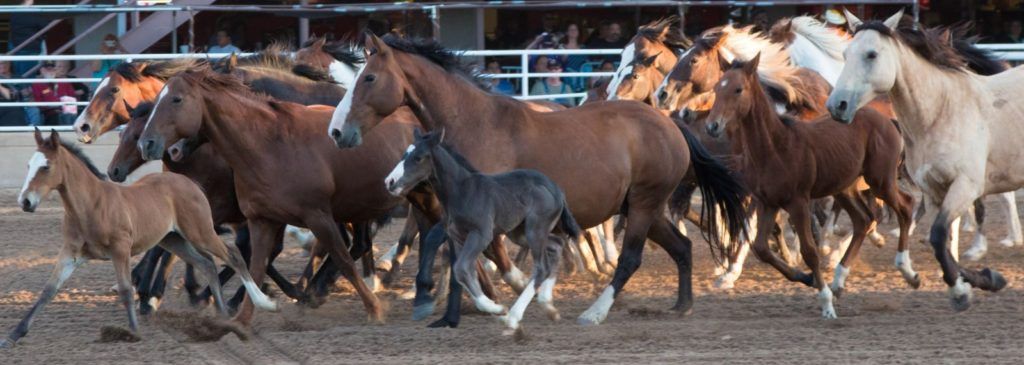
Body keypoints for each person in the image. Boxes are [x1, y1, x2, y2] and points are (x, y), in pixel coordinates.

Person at [7, 0, 50, 77]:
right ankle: (26, 88)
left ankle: (21, 88)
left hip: (15, 46)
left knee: (19, 73)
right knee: (28, 75)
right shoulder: (33, 13)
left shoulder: (14, 12)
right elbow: (45, 25)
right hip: (29, 48)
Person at [31, 61, 78, 126]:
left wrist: (62, 106)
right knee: (56, 116)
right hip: (48, 112)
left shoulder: (64, 82)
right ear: (42, 71)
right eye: (48, 70)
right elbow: (38, 101)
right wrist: (52, 107)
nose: (50, 72)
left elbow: (72, 97)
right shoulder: (37, 84)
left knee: (69, 115)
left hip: (65, 110)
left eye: (52, 69)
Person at [560, 23, 588, 92]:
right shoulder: (562, 47)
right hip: (568, 75)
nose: (573, 31)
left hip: (582, 75)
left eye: (575, 29)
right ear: (567, 32)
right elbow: (562, 62)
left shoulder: (583, 48)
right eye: (571, 30)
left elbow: (587, 62)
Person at [0, 61, 28, 126]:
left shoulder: (18, 77)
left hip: (18, 101)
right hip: (6, 104)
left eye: (5, 63)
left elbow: (25, 93)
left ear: (10, 64)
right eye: (0, 63)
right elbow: (9, 96)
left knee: (33, 110)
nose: (2, 65)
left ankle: (32, 130)